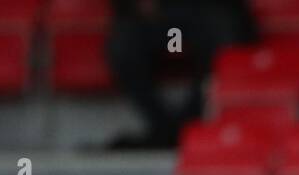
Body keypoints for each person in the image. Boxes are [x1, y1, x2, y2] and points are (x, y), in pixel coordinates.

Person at [105, 0, 258, 150]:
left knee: (226, 35)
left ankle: (191, 123)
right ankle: (165, 127)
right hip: (159, 13)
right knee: (123, 44)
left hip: (208, 9)